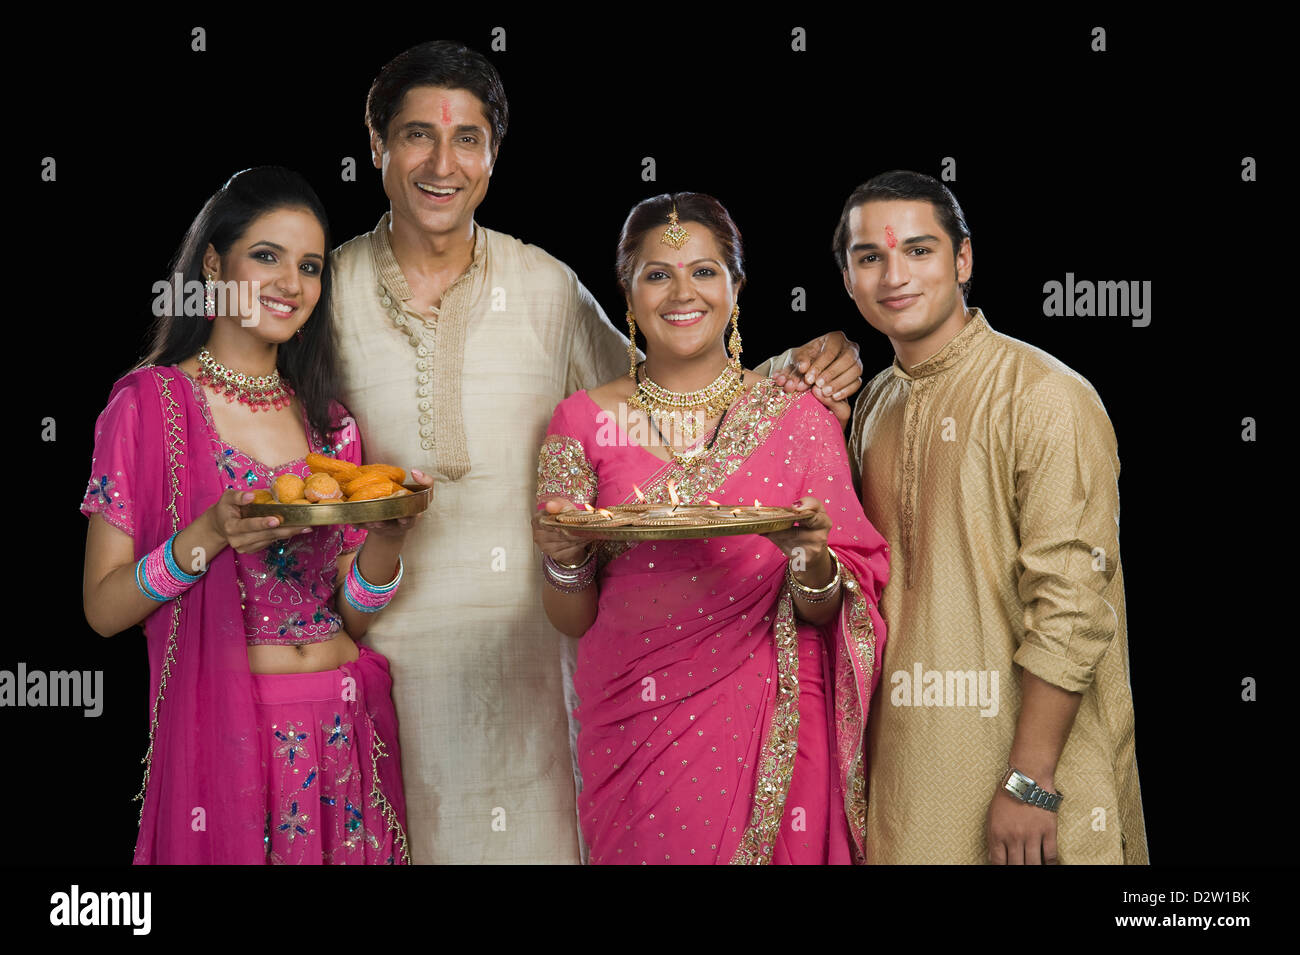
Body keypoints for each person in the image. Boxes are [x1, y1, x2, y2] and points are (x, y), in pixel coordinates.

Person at [329, 40, 869, 863]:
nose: (443, 163)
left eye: (467, 139)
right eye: (416, 136)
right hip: (384, 658)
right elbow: (282, 451)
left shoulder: (542, 286)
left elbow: (667, 390)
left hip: (545, 671)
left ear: (493, 155)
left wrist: (793, 372)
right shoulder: (323, 295)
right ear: (375, 144)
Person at [81, 166, 431, 864]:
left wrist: (387, 542)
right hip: (235, 739)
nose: (290, 283)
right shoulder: (149, 405)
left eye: (307, 266)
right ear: (215, 263)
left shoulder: (327, 422)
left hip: (340, 726)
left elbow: (349, 610)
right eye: (266, 256)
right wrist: (204, 537)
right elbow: (102, 606)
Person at [531, 192, 889, 864]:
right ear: (628, 296)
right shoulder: (580, 420)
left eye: (704, 270)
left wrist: (811, 562)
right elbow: (570, 617)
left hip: (770, 710)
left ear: (736, 286)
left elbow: (827, 608)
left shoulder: (797, 416)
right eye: (657, 274)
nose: (681, 292)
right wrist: (564, 559)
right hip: (630, 722)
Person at [838, 170, 1148, 864]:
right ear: (848, 277)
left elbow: (1072, 602)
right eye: (870, 257)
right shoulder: (874, 405)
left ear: (964, 260)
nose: (895, 275)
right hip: (905, 785)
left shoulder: (1045, 395)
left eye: (919, 250)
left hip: (1032, 793)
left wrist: (1030, 781)